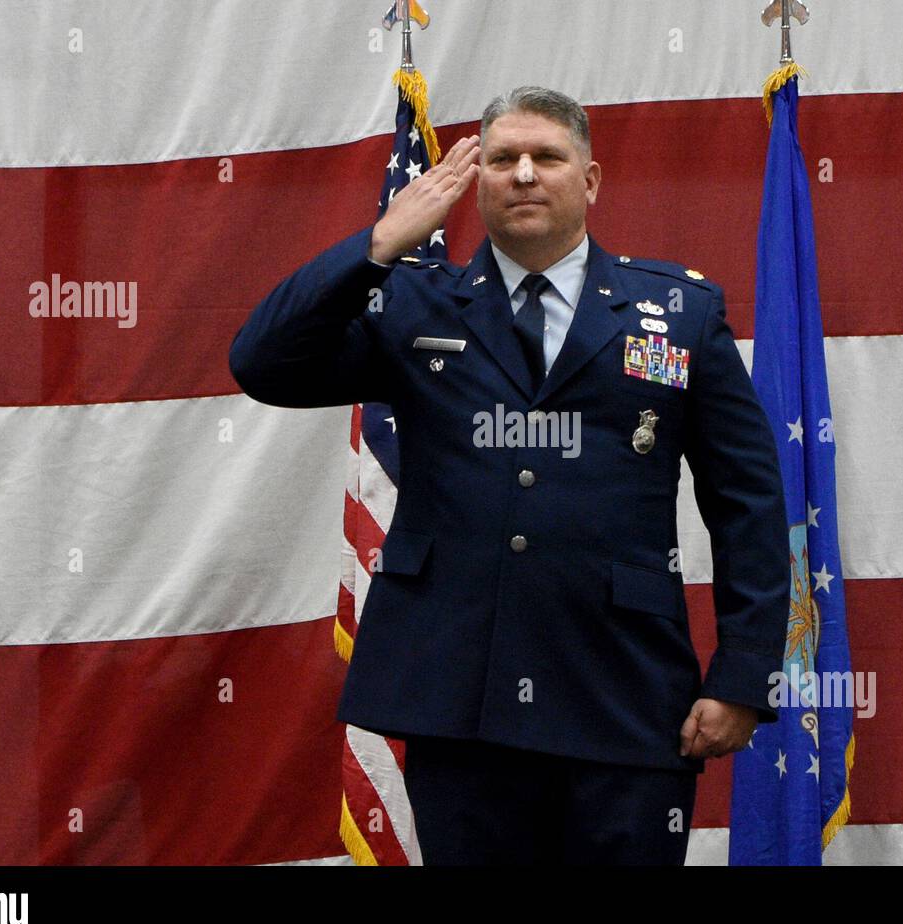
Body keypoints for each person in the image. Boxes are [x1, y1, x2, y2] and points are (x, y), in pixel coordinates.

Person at [229, 86, 790, 865]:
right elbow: (262, 363)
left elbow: (748, 503)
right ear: (475, 181)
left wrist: (742, 674)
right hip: (463, 698)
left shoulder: (678, 313)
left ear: (589, 180)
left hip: (622, 693)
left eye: (547, 157)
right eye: (502, 159)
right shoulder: (416, 305)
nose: (523, 174)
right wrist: (380, 244)